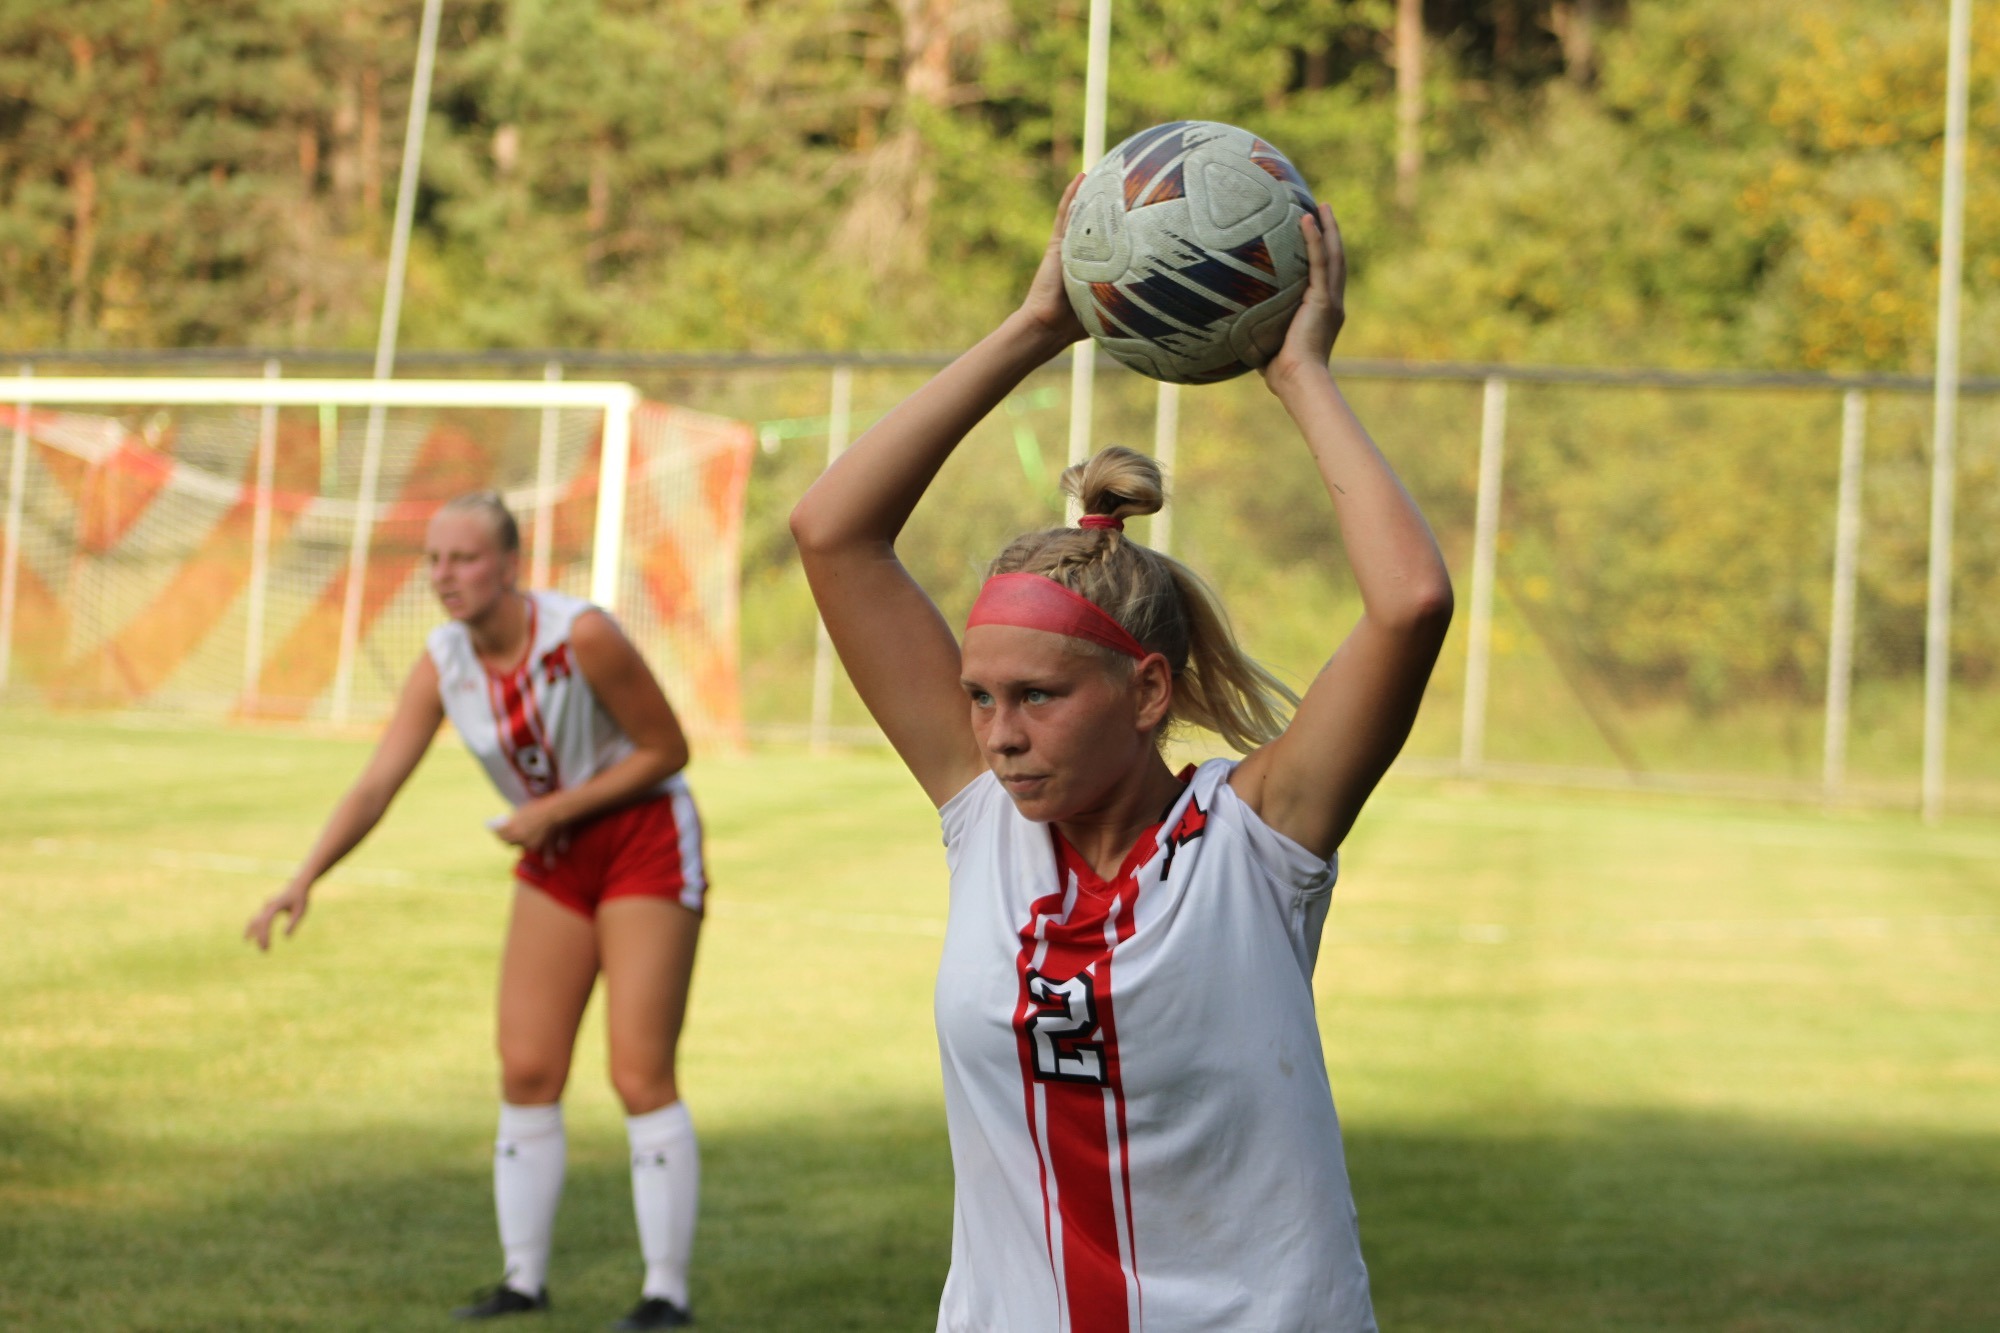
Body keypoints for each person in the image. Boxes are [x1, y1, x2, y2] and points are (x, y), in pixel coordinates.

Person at [789, 177, 1452, 1332]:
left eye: (1036, 697)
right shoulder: (985, 816)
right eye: (978, 697)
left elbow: (1409, 604)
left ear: (1145, 691)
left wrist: (1297, 371)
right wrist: (1037, 325)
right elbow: (829, 530)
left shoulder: (1254, 842)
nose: (998, 733)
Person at [245, 492, 705, 1331]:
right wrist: (303, 876)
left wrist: (554, 810)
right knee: (526, 1066)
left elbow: (668, 748)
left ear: (510, 565)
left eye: (463, 557)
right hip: (555, 854)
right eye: (434, 559)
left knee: (638, 1070)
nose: (443, 574)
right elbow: (378, 783)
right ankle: (523, 1282)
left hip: (642, 839)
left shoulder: (581, 635)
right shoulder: (443, 660)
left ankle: (664, 1295)